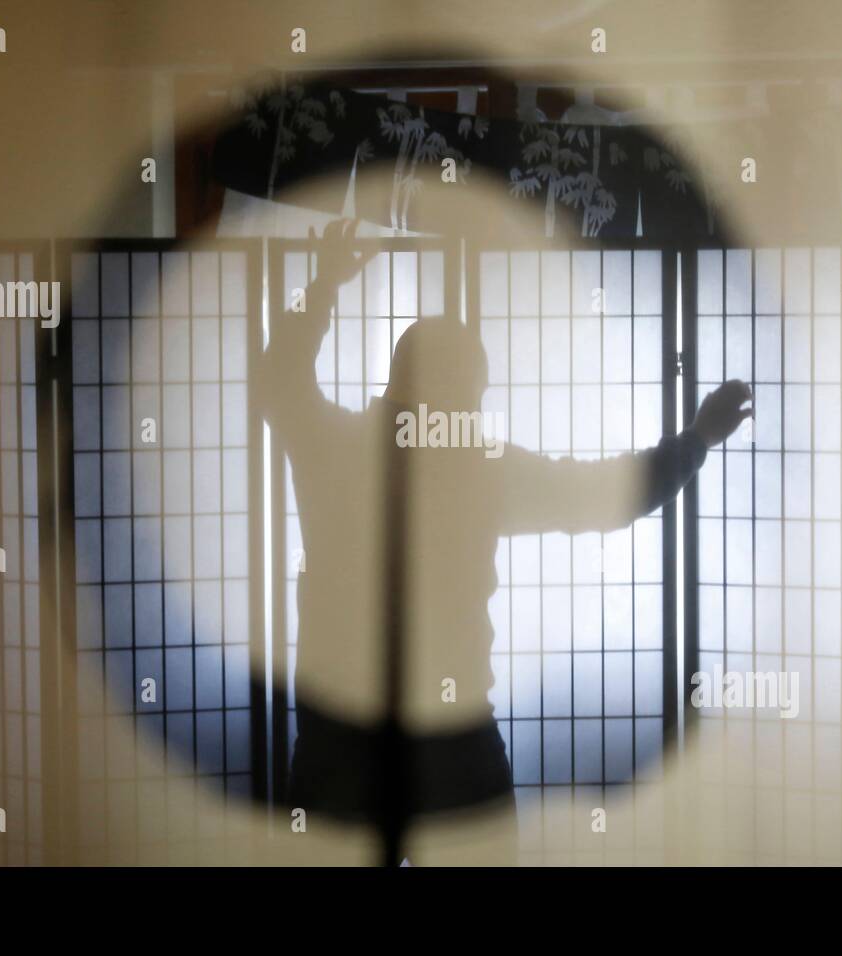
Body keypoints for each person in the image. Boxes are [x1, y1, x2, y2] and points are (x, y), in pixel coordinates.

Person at [253, 220, 753, 854]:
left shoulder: (340, 448)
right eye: (473, 389)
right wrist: (697, 440)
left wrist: (322, 283)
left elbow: (278, 385)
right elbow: (606, 496)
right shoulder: (482, 467)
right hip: (450, 734)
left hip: (342, 738)